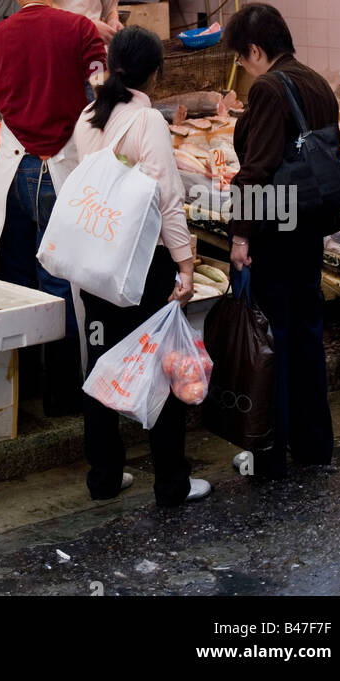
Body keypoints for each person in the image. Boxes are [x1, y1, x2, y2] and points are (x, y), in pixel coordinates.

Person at [0, 0, 106, 415]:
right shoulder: (81, 28)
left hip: (14, 173)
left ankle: (20, 393)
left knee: (15, 277)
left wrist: (3, 87)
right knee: (60, 280)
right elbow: (102, 87)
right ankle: (64, 397)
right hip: (63, 168)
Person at [73, 26, 210, 506]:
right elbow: (168, 201)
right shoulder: (148, 120)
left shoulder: (88, 116)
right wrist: (186, 267)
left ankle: (104, 478)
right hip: (140, 264)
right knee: (164, 364)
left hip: (93, 264)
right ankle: (171, 482)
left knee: (102, 364)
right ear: (155, 73)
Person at [222, 3, 337, 481]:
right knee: (307, 334)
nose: (245, 69)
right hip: (309, 227)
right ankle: (313, 445)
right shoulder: (315, 80)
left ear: (255, 50)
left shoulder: (269, 88)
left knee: (269, 340)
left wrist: (241, 235)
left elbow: (258, 168)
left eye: (243, 59)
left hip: (275, 230)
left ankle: (269, 453)